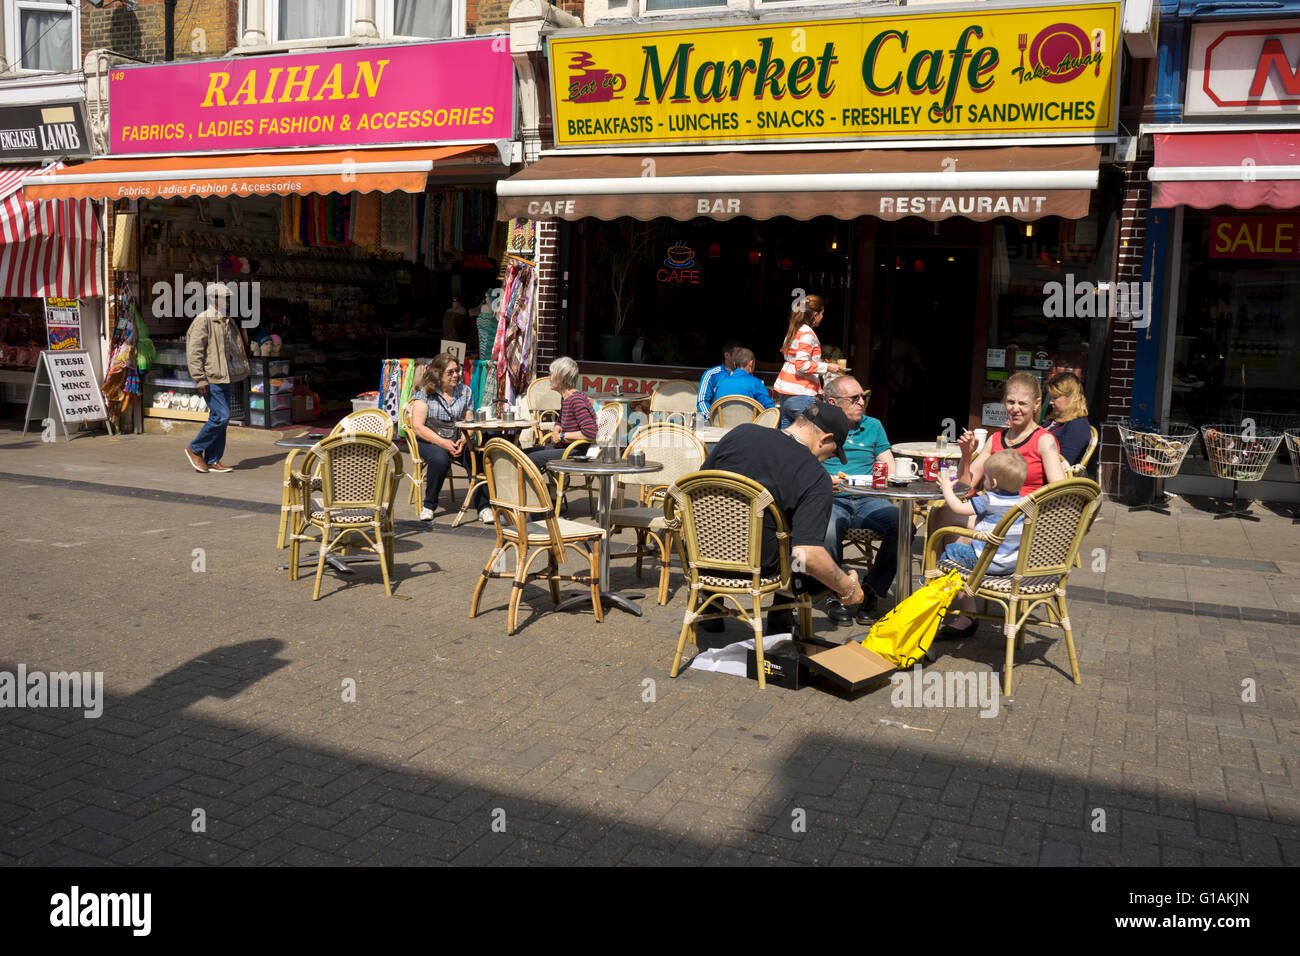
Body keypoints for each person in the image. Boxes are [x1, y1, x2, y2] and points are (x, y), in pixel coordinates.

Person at [701, 401, 864, 633]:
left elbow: (700, 482)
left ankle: (711, 605)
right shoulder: (814, 475)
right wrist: (848, 587)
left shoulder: (740, 433)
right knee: (815, 565)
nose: (827, 459)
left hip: (701, 557)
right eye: (832, 453)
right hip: (759, 568)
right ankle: (780, 617)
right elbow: (806, 554)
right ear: (825, 439)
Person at [820, 375, 898, 627]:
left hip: (869, 499)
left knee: (902, 523)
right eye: (854, 398)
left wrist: (885, 475)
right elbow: (805, 464)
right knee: (828, 529)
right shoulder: (819, 425)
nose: (861, 402)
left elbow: (890, 465)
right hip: (832, 497)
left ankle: (872, 589)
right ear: (833, 402)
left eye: (862, 396)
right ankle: (839, 593)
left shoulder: (873, 425)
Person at [934, 450, 1028, 638]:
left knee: (948, 551)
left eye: (984, 478)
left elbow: (958, 508)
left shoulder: (988, 499)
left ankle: (935, 590)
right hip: (1012, 565)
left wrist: (946, 488)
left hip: (985, 563)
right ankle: (964, 610)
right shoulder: (1024, 502)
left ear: (992, 483)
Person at [408, 353, 489, 523]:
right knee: (439, 459)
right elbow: (417, 426)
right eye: (450, 372)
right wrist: (442, 443)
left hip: (458, 436)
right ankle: (429, 505)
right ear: (438, 373)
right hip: (430, 439)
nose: (456, 375)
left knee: (474, 455)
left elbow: (469, 420)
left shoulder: (465, 391)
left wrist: (464, 440)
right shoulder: (425, 393)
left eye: (457, 371)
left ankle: (484, 507)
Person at [183, 282, 249, 474]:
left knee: (219, 418)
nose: (228, 302)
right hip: (211, 377)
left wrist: (235, 373)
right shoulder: (203, 320)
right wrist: (200, 378)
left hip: (225, 376)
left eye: (229, 298)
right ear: (213, 299)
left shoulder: (228, 320)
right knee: (222, 417)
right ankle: (194, 449)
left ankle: (213, 459)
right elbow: (194, 352)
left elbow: (232, 350)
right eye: (224, 298)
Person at [526, 355, 598, 485]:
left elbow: (590, 433)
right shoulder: (566, 398)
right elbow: (560, 420)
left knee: (531, 459)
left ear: (561, 377)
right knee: (523, 454)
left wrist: (562, 435)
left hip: (578, 452)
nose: (549, 377)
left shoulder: (576, 400)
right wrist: (556, 430)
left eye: (551, 374)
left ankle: (538, 499)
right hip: (567, 448)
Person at [774, 294, 841, 428]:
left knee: (787, 438)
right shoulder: (807, 334)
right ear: (815, 315)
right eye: (822, 313)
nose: (822, 317)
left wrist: (819, 362)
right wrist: (826, 366)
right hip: (801, 393)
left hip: (786, 394)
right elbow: (802, 365)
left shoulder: (794, 330)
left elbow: (794, 358)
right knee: (813, 434)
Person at [1044, 371, 1092, 467]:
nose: (1050, 402)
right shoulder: (1055, 421)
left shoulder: (1078, 425)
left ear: (1070, 398)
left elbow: (1063, 462)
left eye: (1055, 398)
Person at [707, 347, 774, 409]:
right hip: (748, 421)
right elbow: (769, 409)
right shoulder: (756, 383)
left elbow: (715, 407)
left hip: (722, 422)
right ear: (751, 363)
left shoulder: (721, 382)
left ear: (734, 364)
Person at [697, 338, 742, 416]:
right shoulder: (711, 374)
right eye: (737, 354)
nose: (741, 358)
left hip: (742, 422)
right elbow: (702, 401)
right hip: (716, 422)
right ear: (727, 355)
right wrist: (711, 418)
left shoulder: (746, 376)